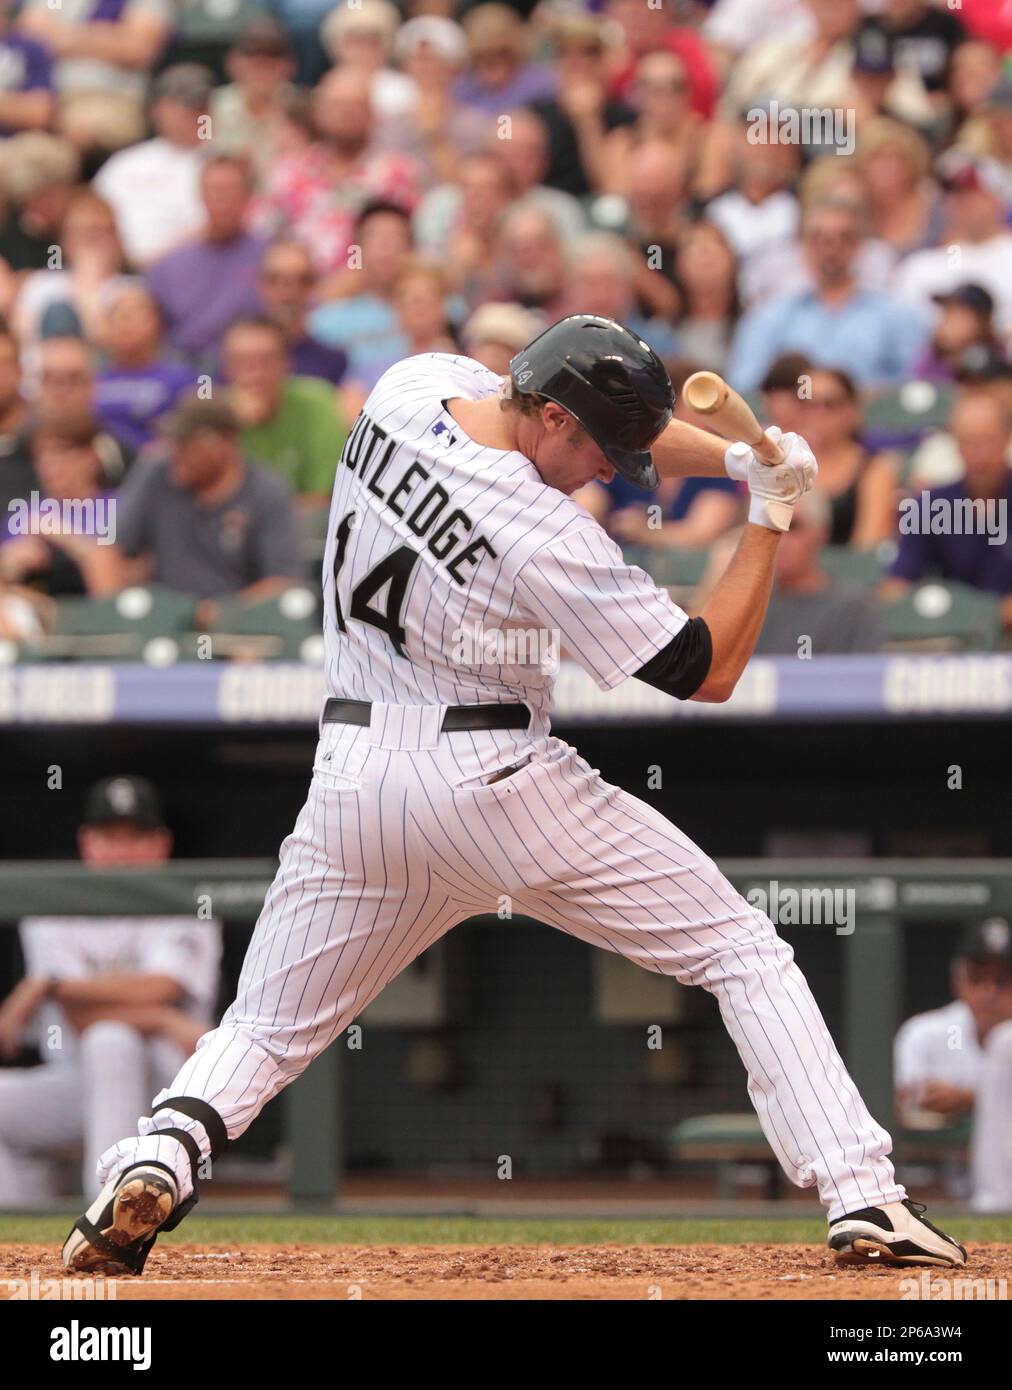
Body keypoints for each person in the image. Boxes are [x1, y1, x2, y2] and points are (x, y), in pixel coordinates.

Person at [63, 314, 966, 1277]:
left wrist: (745, 453)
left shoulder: (409, 389)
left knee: (264, 1029)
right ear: (546, 414)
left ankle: (161, 1153)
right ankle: (861, 1192)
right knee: (738, 947)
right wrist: (768, 516)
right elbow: (705, 670)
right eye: (596, 452)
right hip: (491, 783)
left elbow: (614, 416)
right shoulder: (542, 529)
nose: (607, 474)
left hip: (355, 781)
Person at [0, 776, 221, 1207]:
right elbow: (79, 1016)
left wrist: (52, 985)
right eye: (109, 836)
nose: (122, 850)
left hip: (168, 1093)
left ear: (161, 844)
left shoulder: (190, 899)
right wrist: (158, 1016)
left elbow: (163, 987)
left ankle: (108, 1211)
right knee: (103, 1040)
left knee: (112, 1039)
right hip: (79, 1084)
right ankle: (19, 1229)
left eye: (135, 836)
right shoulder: (54, 904)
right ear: (86, 842)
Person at [108, 393, 304, 609]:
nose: (175, 453)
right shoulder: (156, 472)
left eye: (186, 444)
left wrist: (213, 614)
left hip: (241, 629)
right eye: (174, 442)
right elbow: (112, 549)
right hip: (163, 621)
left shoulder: (268, 492)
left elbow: (282, 583)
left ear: (225, 442)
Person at [726, 196, 930, 391]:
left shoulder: (898, 315)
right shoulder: (769, 316)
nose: (831, 248)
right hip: (787, 424)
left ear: (860, 245)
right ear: (803, 245)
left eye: (844, 237)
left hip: (872, 424)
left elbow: (916, 390)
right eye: (819, 238)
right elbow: (746, 386)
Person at [894, 917, 1012, 1212]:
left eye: (1003, 980)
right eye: (977, 978)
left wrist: (968, 1098)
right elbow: (903, 1098)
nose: (989, 992)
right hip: (936, 1187)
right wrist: (924, 1097)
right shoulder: (928, 1033)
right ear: (958, 980)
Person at [882, 389, 1012, 625]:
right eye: (969, 442)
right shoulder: (930, 506)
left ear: (1006, 438)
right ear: (955, 443)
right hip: (950, 638)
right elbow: (898, 584)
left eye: (988, 440)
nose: (979, 455)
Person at [144, 155, 268, 366]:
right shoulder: (169, 265)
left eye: (232, 189)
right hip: (183, 364)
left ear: (248, 196)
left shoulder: (272, 256)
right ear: (200, 196)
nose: (223, 198)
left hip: (251, 362)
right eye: (214, 190)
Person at [92, 65, 216, 269]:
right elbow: (91, 214)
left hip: (195, 270)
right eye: (182, 105)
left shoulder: (222, 162)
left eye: (201, 106)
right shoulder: (125, 162)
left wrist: (159, 260)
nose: (193, 114)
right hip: (119, 269)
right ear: (158, 110)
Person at [16, 0, 170, 155]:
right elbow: (31, 35)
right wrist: (107, 36)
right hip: (44, 96)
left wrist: (60, 36)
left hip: (109, 100)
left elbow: (137, 49)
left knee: (81, 126)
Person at [222, 316, 347, 506]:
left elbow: (322, 498)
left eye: (266, 360)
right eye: (243, 361)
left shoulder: (317, 401)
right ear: (226, 367)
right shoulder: (214, 413)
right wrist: (231, 426)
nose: (255, 372)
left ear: (287, 363)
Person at [893, 151, 1012, 337]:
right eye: (951, 193)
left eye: (968, 192)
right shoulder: (921, 266)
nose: (958, 201)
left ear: (997, 198)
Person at [751, 490, 881, 655]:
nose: (780, 541)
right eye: (770, 528)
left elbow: (860, 675)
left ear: (821, 533)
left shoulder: (852, 608)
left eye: (793, 527)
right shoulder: (749, 606)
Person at [800, 367, 898, 547]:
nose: (818, 413)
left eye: (829, 404)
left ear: (852, 410)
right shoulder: (789, 466)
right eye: (809, 403)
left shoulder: (874, 469)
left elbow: (868, 546)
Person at [94, 280, 194, 450]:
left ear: (158, 322)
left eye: (137, 312)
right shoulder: (91, 381)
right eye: (117, 314)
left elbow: (197, 432)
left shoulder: (183, 380)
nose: (125, 322)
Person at [257, 240, 348, 388]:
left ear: (313, 286)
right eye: (275, 279)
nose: (288, 293)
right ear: (262, 285)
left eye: (301, 280)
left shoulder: (334, 362)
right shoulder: (237, 357)